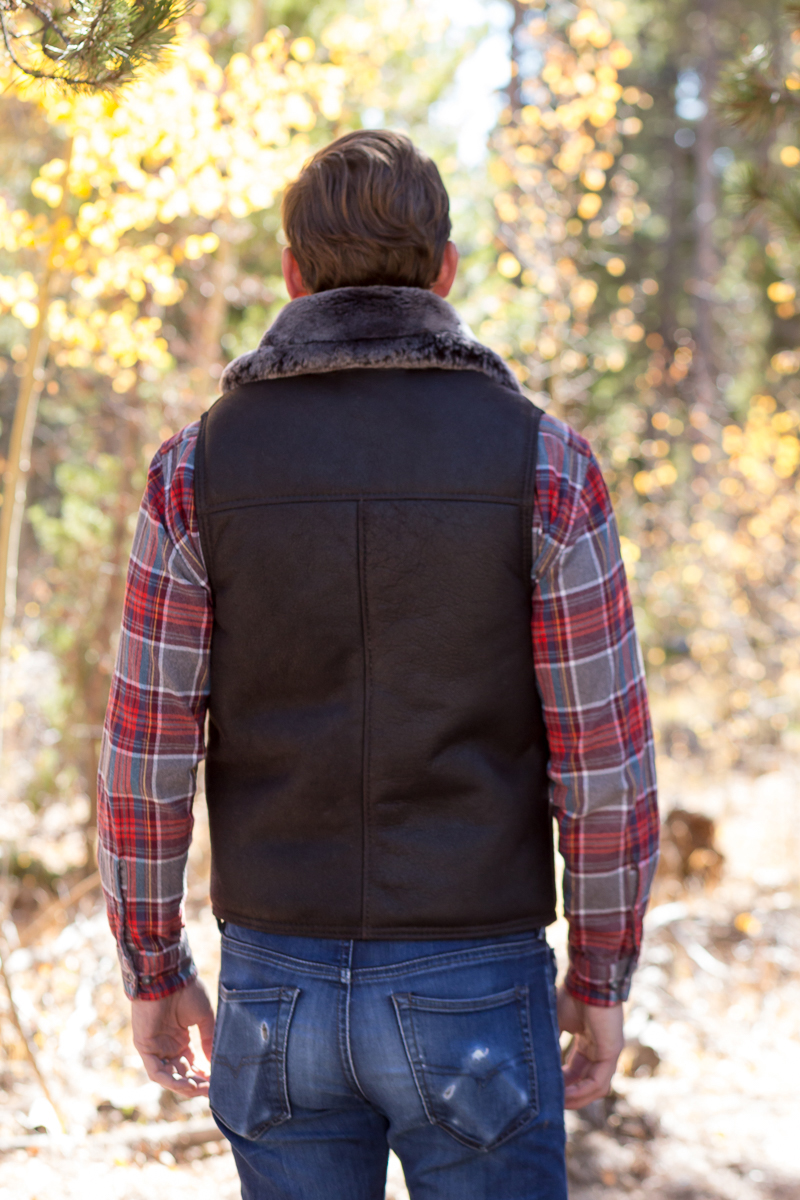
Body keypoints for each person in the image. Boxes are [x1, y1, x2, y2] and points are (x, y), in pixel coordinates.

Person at [98, 130, 658, 1200]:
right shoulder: (546, 463)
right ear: (446, 270)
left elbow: (144, 760)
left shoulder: (192, 469)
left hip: (276, 984)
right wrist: (601, 971)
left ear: (290, 274)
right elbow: (602, 761)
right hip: (474, 978)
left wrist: (152, 968)